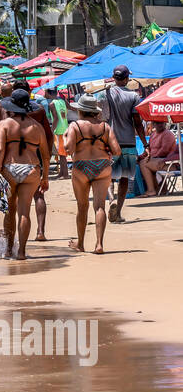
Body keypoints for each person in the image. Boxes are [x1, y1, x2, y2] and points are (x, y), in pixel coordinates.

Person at [0, 87, 49, 260]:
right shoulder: (37, 126)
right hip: (31, 169)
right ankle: (22, 252)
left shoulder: (5, 124)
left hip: (9, 168)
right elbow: (46, 155)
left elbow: (0, 151)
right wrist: (45, 177)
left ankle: (9, 249)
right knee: (24, 211)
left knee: (9, 211)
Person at [63, 94, 119, 254]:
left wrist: (65, 136)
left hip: (81, 166)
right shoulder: (105, 126)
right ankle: (99, 244)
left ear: (80, 111)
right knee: (100, 206)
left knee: (82, 207)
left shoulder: (75, 126)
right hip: (102, 166)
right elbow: (117, 151)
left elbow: (69, 149)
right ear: (95, 111)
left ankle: (80, 244)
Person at [102, 66, 147, 223]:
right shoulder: (134, 96)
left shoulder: (105, 93)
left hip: (110, 141)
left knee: (108, 174)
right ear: (127, 78)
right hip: (128, 141)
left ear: (114, 78)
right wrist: (145, 143)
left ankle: (111, 198)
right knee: (124, 178)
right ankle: (118, 212)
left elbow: (102, 117)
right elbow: (138, 123)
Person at [140, 119, 179, 196]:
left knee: (143, 163)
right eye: (157, 123)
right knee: (140, 162)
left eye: (162, 122)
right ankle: (160, 189)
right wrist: (140, 156)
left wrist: (151, 157)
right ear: (153, 124)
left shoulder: (167, 134)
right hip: (159, 161)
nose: (160, 124)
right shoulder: (153, 135)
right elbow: (148, 150)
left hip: (169, 163)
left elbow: (164, 150)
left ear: (165, 123)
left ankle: (151, 190)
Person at [46, 87, 70, 180]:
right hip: (65, 128)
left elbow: (55, 118)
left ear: (49, 93)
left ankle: (65, 174)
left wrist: (51, 130)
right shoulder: (62, 101)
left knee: (62, 155)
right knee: (61, 154)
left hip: (59, 131)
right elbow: (71, 108)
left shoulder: (52, 104)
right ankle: (62, 173)